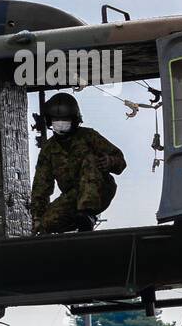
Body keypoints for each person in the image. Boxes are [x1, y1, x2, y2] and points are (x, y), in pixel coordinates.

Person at [30, 92, 125, 234]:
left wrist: (109, 161)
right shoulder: (48, 150)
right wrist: (37, 217)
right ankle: (78, 223)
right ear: (50, 122)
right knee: (46, 223)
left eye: (65, 121)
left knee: (90, 160)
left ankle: (87, 215)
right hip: (74, 196)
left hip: (100, 190)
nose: (61, 125)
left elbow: (120, 161)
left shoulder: (89, 136)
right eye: (56, 121)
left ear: (74, 120)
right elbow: (41, 185)